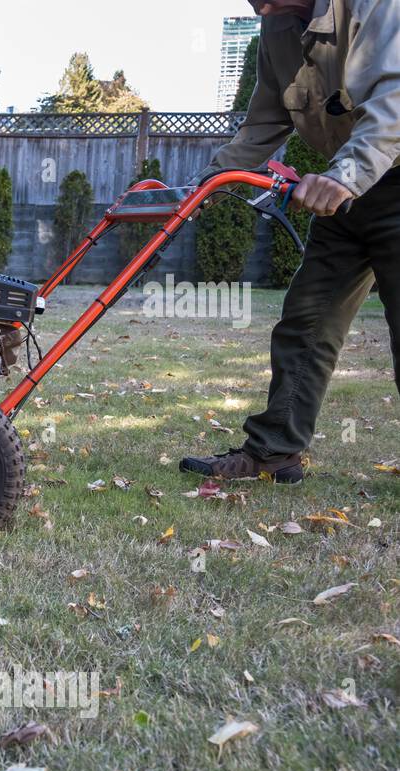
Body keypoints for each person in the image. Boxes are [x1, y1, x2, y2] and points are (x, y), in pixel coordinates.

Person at [179, 0, 400, 483]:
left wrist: (346, 174)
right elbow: (264, 119)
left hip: (379, 170)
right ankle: (275, 449)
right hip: (343, 188)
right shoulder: (277, 26)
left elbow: (394, 100)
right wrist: (211, 179)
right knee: (307, 321)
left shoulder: (375, 6)